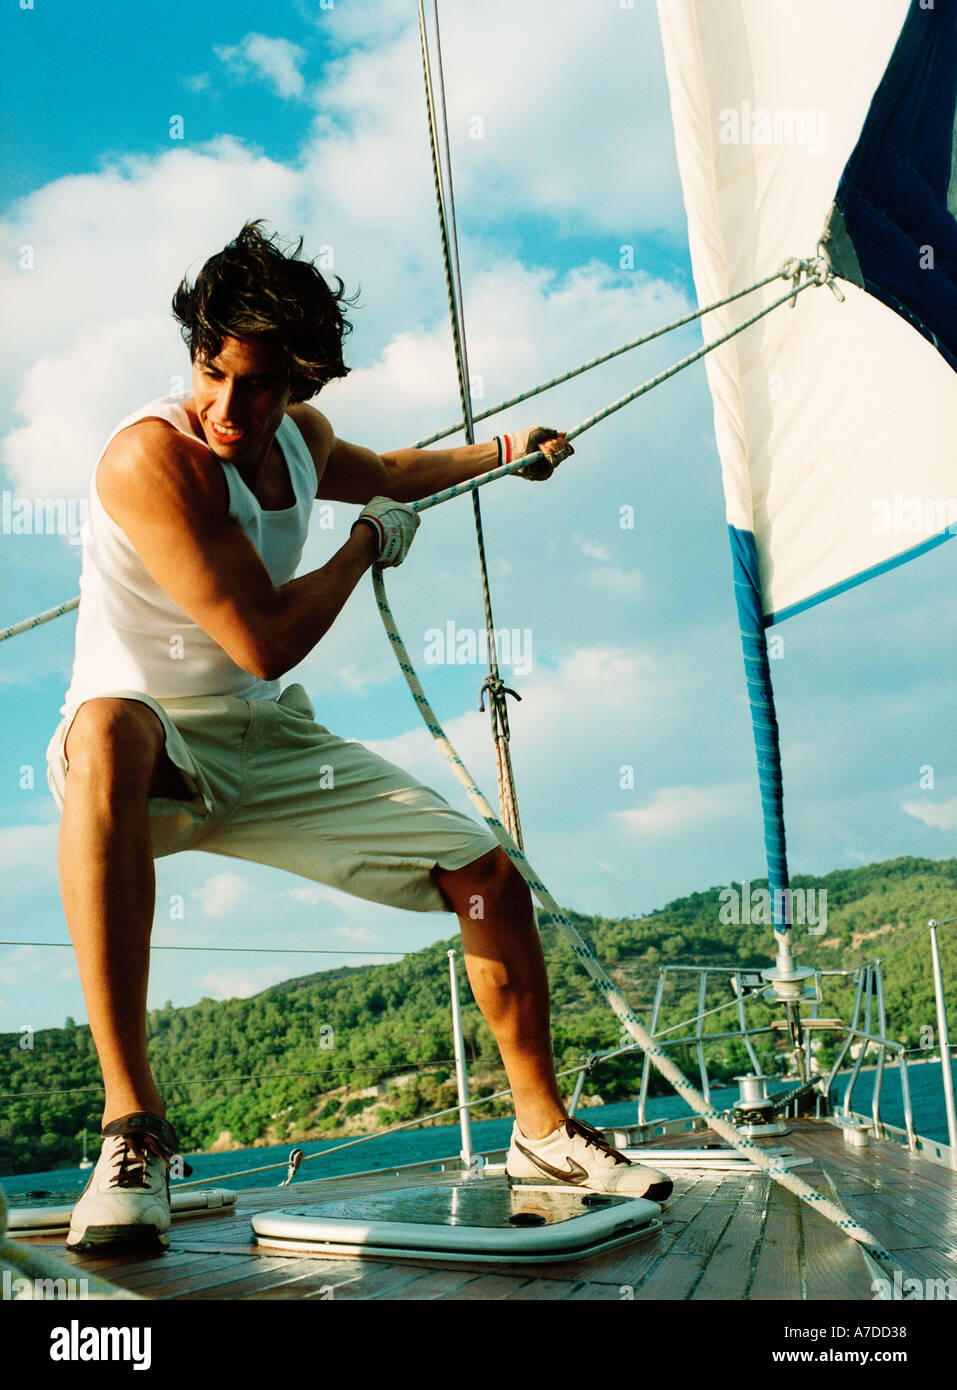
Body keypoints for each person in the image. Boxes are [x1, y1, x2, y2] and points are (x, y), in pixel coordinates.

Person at [48, 222, 672, 1253]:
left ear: (300, 380)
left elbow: (386, 465)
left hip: (265, 738)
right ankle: (131, 1131)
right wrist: (364, 545)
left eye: (257, 386)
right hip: (149, 748)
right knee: (108, 725)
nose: (227, 407)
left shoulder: (301, 438)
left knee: (486, 875)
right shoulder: (150, 457)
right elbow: (263, 641)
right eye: (211, 373)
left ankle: (541, 1133)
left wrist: (504, 454)